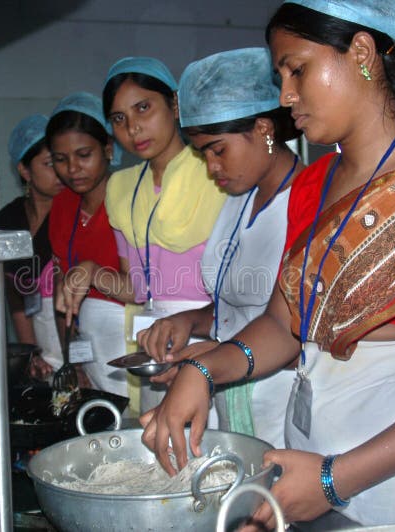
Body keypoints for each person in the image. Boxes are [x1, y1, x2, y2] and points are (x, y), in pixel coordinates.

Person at [140, 1, 395, 529]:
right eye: (280, 76)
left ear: (361, 53)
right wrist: (203, 370)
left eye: (297, 69)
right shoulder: (314, 186)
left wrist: (337, 478)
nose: (286, 94)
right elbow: (283, 324)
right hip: (316, 464)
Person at [136, 47, 307, 449]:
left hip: (281, 405)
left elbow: (298, 330)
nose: (212, 168)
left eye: (218, 149)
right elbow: (237, 304)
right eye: (202, 154)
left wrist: (210, 360)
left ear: (264, 129)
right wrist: (191, 322)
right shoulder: (237, 200)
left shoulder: (307, 204)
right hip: (232, 394)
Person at [100, 56, 226, 411]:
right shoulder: (120, 188)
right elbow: (135, 288)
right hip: (151, 340)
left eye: (143, 108)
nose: (134, 128)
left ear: (174, 103)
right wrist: (90, 273)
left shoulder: (215, 172)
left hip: (210, 333)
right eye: (119, 119)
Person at [46, 92, 127, 396]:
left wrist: (93, 273)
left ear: (107, 148)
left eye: (83, 155)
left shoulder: (129, 198)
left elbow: (147, 289)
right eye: (60, 159)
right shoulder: (62, 206)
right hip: (85, 350)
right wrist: (71, 361)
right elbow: (61, 287)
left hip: (130, 346)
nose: (73, 169)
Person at [0, 114, 64, 379]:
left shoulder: (72, 215)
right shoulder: (8, 219)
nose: (60, 172)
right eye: (49, 164)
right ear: (25, 170)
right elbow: (15, 294)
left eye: (61, 161)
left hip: (72, 339)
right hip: (37, 340)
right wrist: (30, 352)